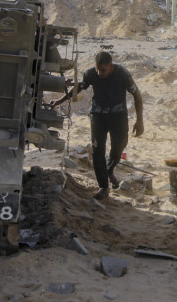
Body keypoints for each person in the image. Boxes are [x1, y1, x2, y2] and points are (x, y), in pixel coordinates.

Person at [56, 51, 144, 200]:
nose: (99, 72)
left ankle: (109, 170)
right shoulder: (90, 74)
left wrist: (139, 120)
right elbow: (79, 88)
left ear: (111, 66)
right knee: (98, 150)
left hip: (118, 115)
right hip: (98, 114)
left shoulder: (122, 73)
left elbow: (137, 94)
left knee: (120, 146)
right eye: (97, 68)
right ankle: (103, 186)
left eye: (102, 70)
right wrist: (60, 100)